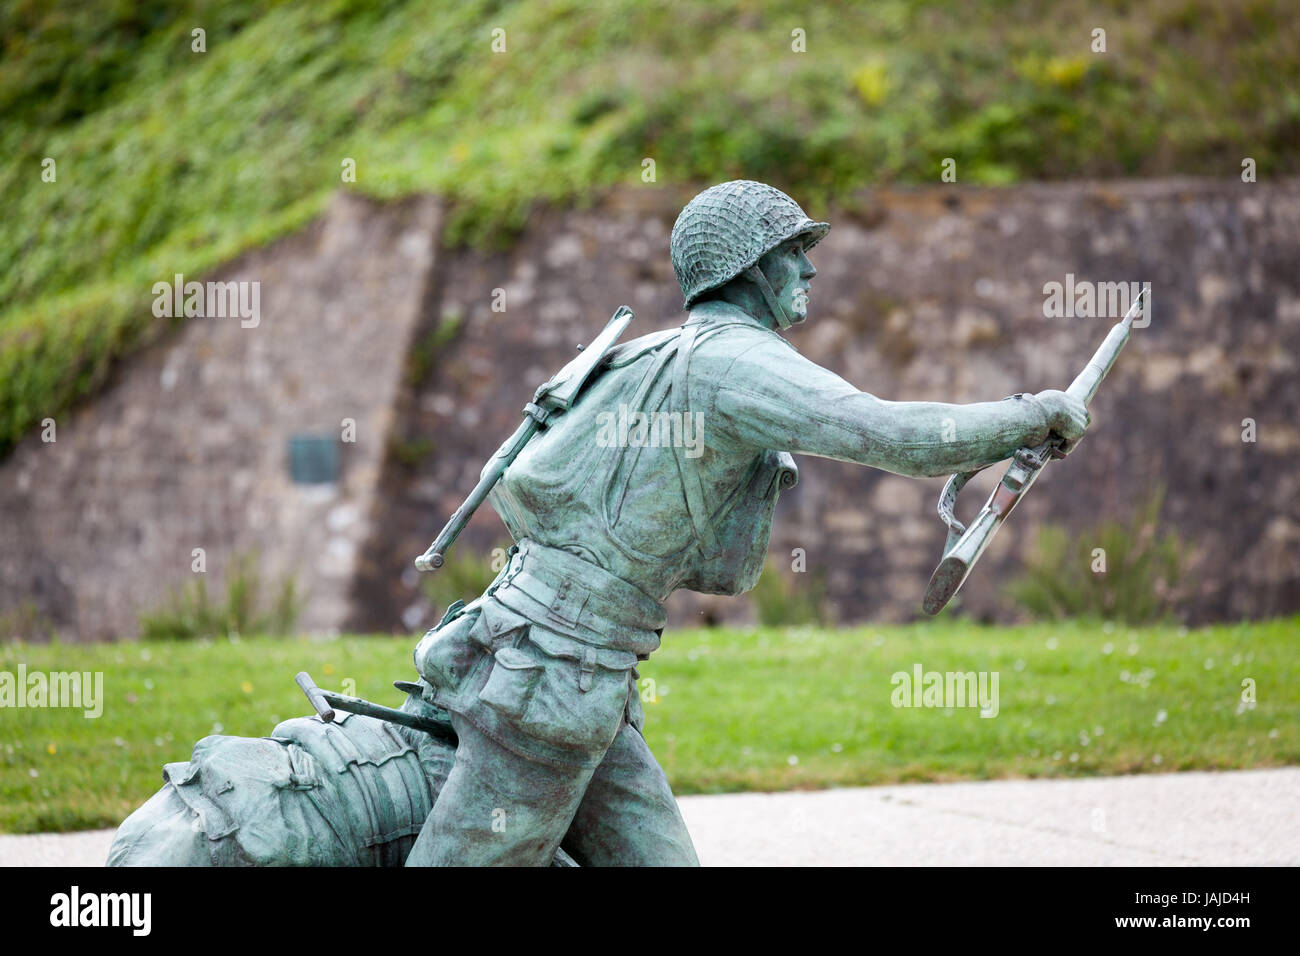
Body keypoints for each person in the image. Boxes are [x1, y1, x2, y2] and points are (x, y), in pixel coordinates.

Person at [404, 180, 1089, 866]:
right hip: (550, 680)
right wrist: (1034, 416)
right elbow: (896, 435)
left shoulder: (653, 351)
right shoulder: (732, 363)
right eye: (795, 250)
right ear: (752, 267)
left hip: (572, 670)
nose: (811, 268)